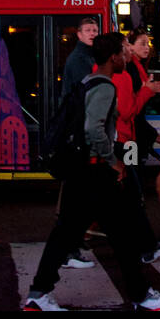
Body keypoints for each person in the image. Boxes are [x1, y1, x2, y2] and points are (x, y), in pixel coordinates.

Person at [24, 32, 160, 311]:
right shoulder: (105, 86)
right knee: (121, 236)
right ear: (113, 57)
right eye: (123, 52)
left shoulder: (88, 81)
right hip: (95, 173)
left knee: (68, 234)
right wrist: (113, 161)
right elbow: (94, 130)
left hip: (83, 172)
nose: (127, 56)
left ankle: (38, 293)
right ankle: (142, 296)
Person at [113, 31, 160, 264]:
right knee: (130, 193)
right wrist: (149, 90)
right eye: (138, 44)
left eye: (148, 43)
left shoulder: (130, 70)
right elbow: (129, 112)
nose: (146, 47)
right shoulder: (126, 74)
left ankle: (143, 245)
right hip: (125, 142)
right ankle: (144, 247)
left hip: (126, 141)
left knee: (128, 194)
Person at [54, 16, 100, 268]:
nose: (93, 33)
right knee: (76, 195)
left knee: (81, 195)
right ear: (79, 34)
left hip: (80, 133)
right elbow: (88, 94)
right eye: (88, 30)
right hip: (78, 134)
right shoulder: (80, 59)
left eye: (95, 29)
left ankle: (72, 243)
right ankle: (68, 249)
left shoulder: (87, 56)